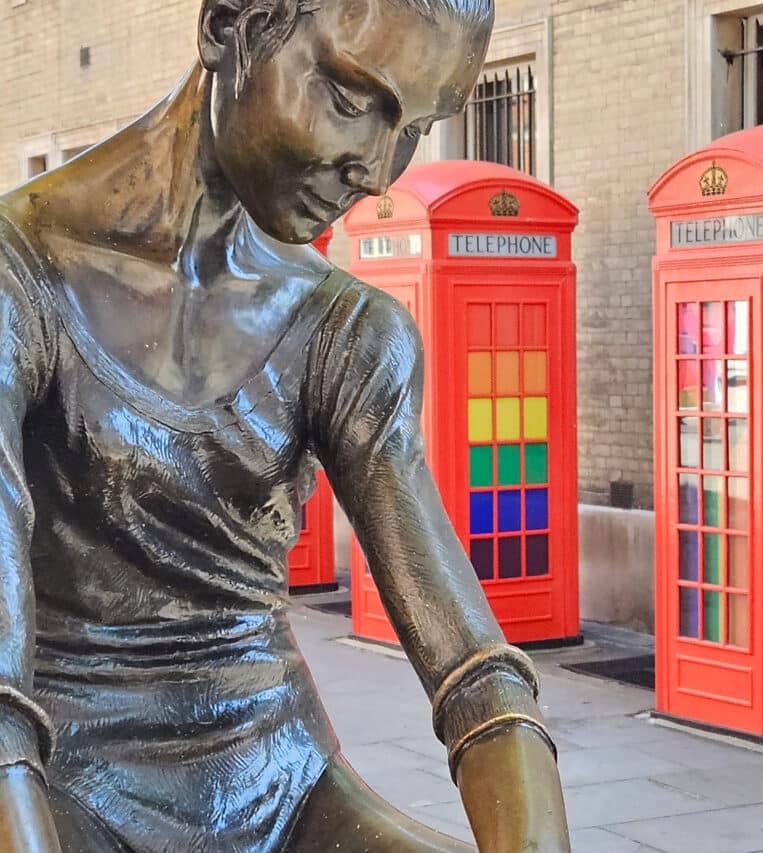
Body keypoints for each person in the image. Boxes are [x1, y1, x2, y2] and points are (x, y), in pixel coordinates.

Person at [0, 0, 570, 850]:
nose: (377, 171)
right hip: (62, 781)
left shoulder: (348, 328)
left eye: (413, 127)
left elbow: (476, 672)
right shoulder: (25, 275)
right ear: (231, 25)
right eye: (351, 99)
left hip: (285, 781)